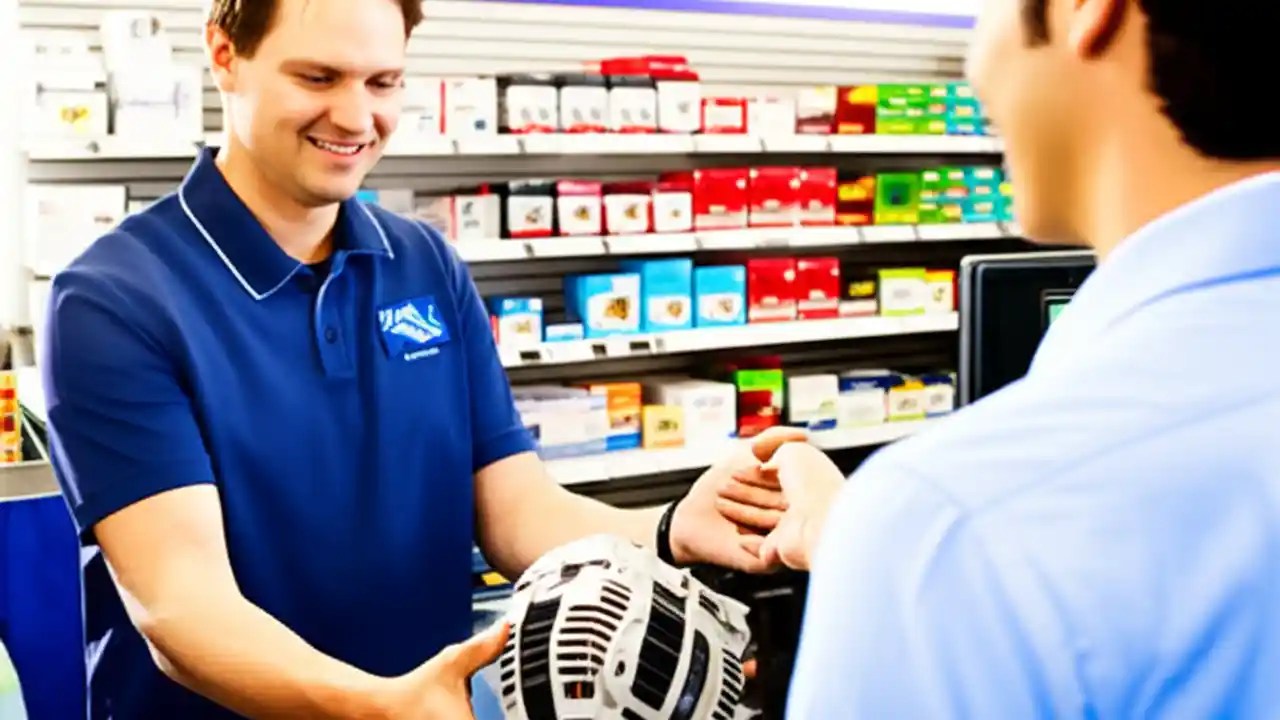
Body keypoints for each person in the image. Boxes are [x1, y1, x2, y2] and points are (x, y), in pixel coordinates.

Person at [39, 0, 799, 717]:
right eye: (317, 77)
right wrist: (379, 706)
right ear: (225, 53)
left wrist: (670, 528)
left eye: (383, 82)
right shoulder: (113, 300)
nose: (355, 117)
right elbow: (183, 609)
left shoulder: (424, 264)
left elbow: (517, 513)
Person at [727, 0, 1280, 716]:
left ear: (1086, 10)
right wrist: (863, 537)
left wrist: (904, 554)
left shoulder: (959, 524)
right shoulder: (959, 533)